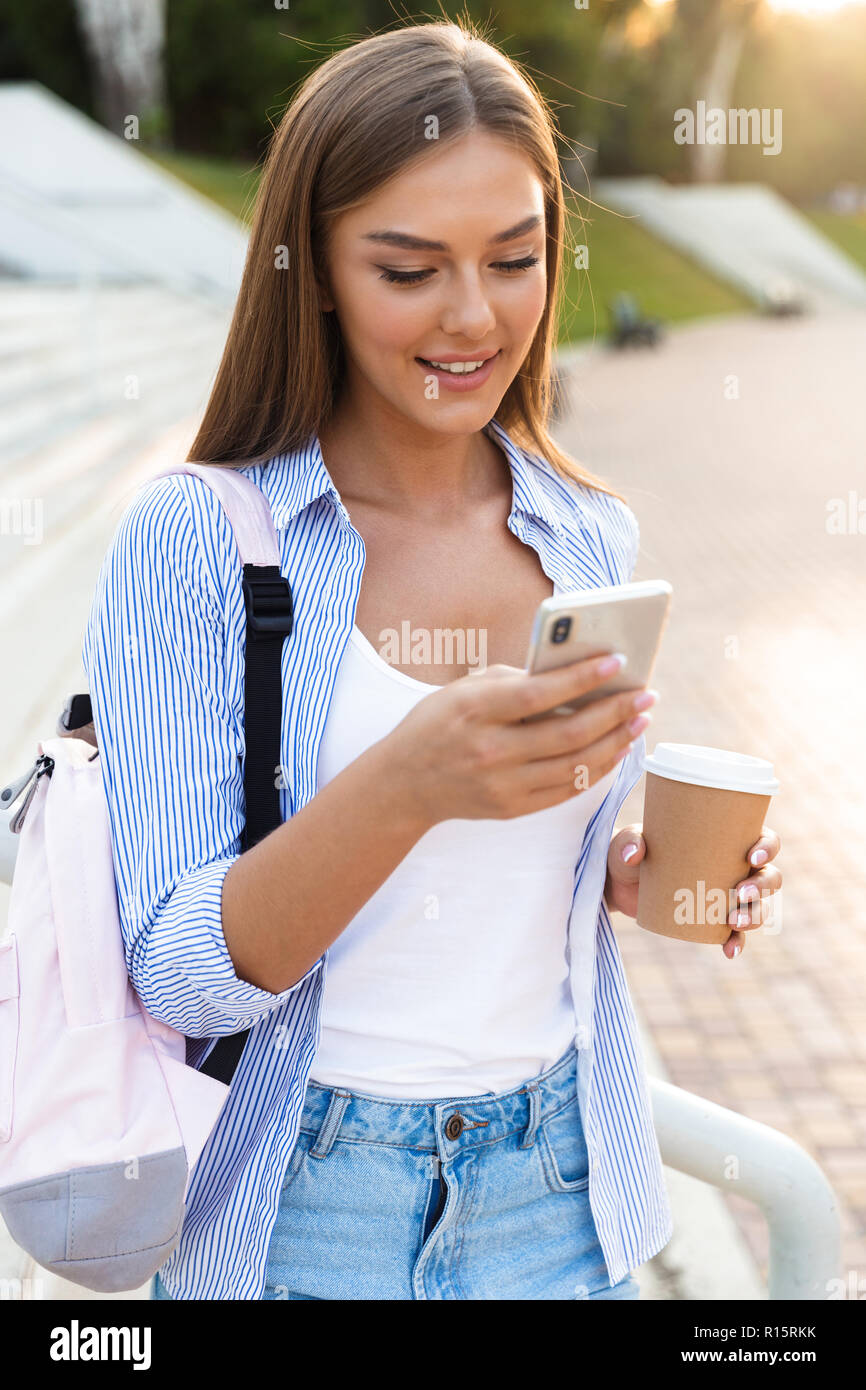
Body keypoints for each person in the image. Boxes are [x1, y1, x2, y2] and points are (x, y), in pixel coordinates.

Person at [82, 19, 782, 1301]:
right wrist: (406, 783)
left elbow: (516, 884)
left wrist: (630, 874)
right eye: (408, 270)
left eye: (514, 259)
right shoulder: (200, 538)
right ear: (317, 274)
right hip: (302, 1212)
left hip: (561, 1201)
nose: (475, 317)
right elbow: (176, 969)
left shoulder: (587, 533)